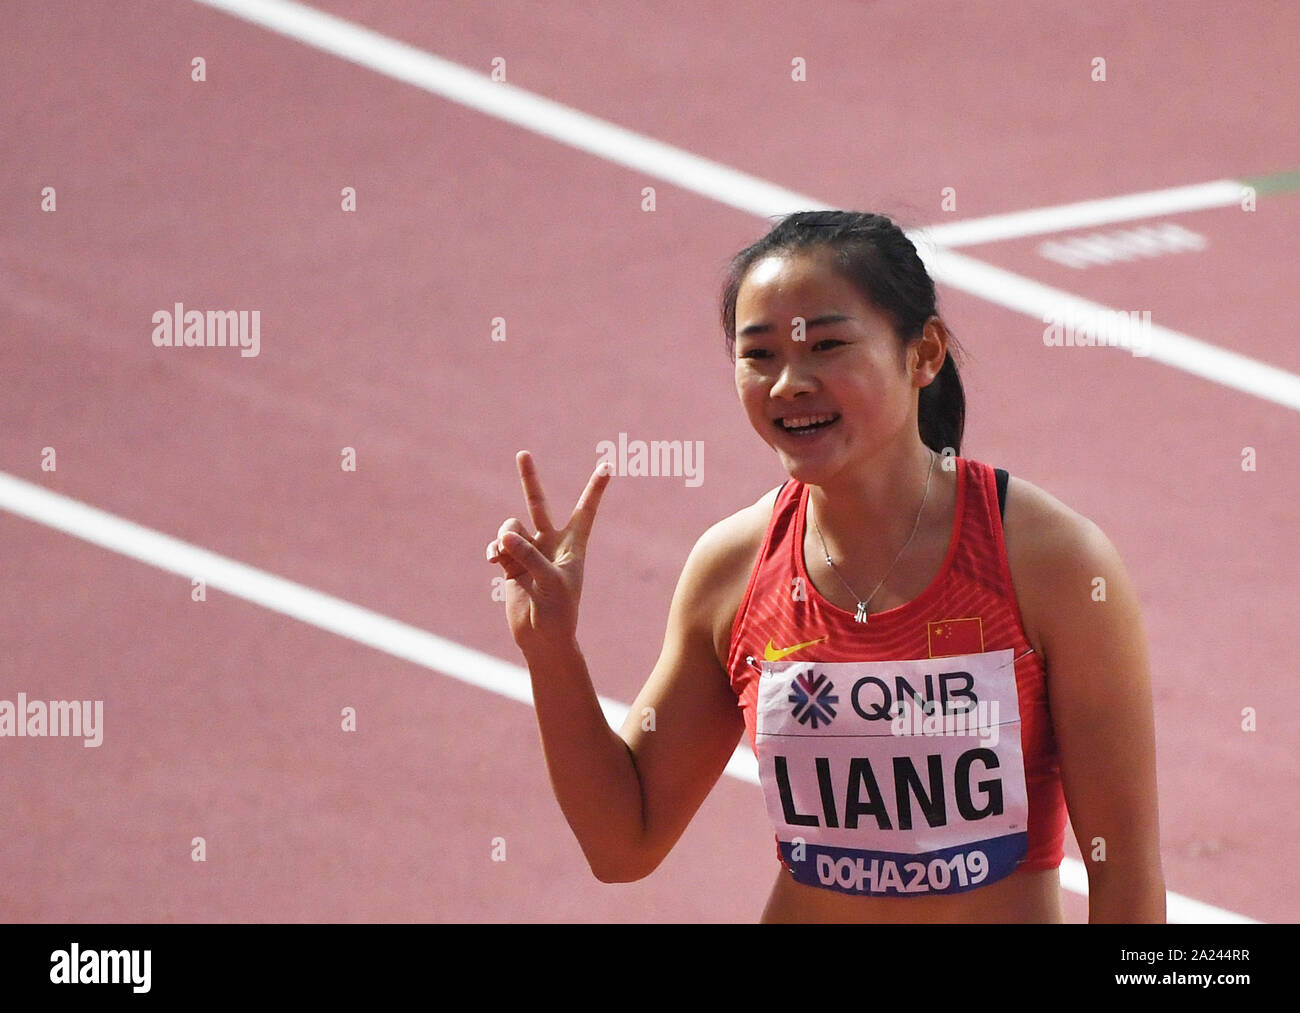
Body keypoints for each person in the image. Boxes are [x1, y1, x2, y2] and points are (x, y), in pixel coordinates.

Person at [486, 210, 1165, 923]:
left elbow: (1127, 880)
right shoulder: (733, 570)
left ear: (924, 352)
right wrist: (550, 648)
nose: (788, 384)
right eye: (760, 355)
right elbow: (624, 843)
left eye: (828, 346)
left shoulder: (1050, 564)